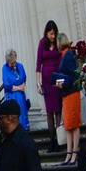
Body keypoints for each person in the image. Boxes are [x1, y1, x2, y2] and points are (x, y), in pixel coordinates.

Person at [54, 33, 81, 166]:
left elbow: (73, 76)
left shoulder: (69, 55)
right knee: (68, 125)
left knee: (74, 124)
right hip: (66, 94)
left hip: (72, 93)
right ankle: (69, 153)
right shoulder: (65, 55)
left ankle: (74, 153)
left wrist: (62, 83)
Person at [36, 21, 63, 153]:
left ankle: (58, 140)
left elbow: (61, 59)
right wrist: (38, 83)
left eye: (54, 33)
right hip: (46, 81)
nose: (53, 36)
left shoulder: (58, 43)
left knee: (58, 111)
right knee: (49, 112)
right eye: (51, 33)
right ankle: (51, 140)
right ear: (46, 33)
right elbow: (38, 64)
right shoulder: (42, 43)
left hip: (57, 80)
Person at [1, 50, 30, 131]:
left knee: (22, 115)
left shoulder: (20, 66)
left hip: (21, 96)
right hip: (12, 97)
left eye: (14, 62)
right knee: (13, 117)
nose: (13, 65)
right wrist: (19, 88)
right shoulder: (5, 68)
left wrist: (21, 86)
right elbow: (7, 85)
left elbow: (24, 79)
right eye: (11, 63)